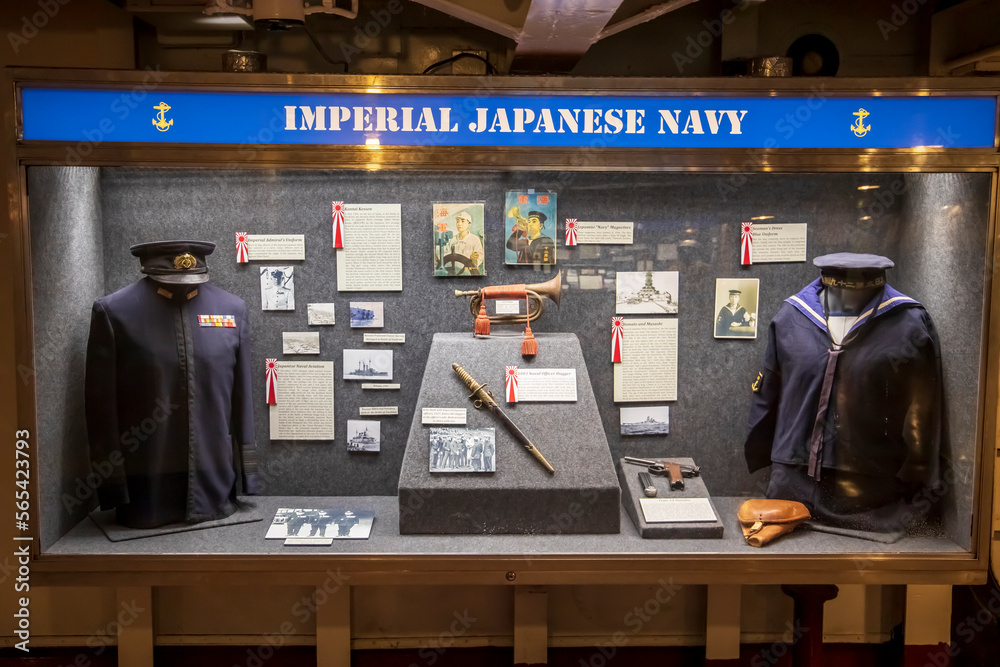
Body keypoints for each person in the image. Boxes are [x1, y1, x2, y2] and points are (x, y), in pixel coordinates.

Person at [744, 253, 941, 534]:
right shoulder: (792, 317)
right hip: (792, 486)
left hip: (870, 493)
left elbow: (925, 411)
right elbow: (767, 393)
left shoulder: (908, 323)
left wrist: (925, 481)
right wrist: (763, 452)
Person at [444, 211, 484, 275]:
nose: (459, 224)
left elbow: (480, 257)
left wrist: (475, 259)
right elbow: (446, 257)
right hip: (451, 273)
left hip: (469, 273)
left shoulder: (475, 239)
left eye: (462, 221)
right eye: (457, 221)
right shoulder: (452, 239)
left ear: (469, 224)